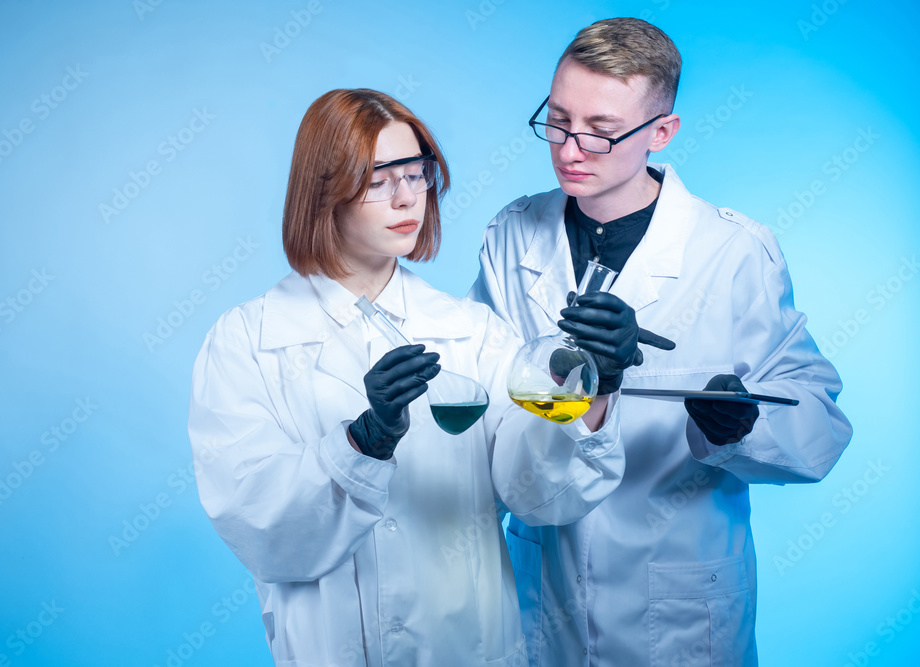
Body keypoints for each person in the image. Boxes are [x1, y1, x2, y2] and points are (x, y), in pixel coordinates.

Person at [188, 88, 629, 666]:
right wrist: (360, 443)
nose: (405, 197)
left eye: (415, 172)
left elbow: (538, 493)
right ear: (323, 190)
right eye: (375, 178)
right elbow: (255, 520)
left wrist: (595, 387)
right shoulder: (248, 340)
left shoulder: (473, 332)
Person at [469, 18, 853, 666]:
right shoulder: (513, 234)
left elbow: (819, 428)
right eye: (558, 120)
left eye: (600, 129)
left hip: (679, 599)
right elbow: (484, 406)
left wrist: (740, 423)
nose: (569, 148)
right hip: (547, 583)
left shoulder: (731, 251)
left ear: (661, 132)